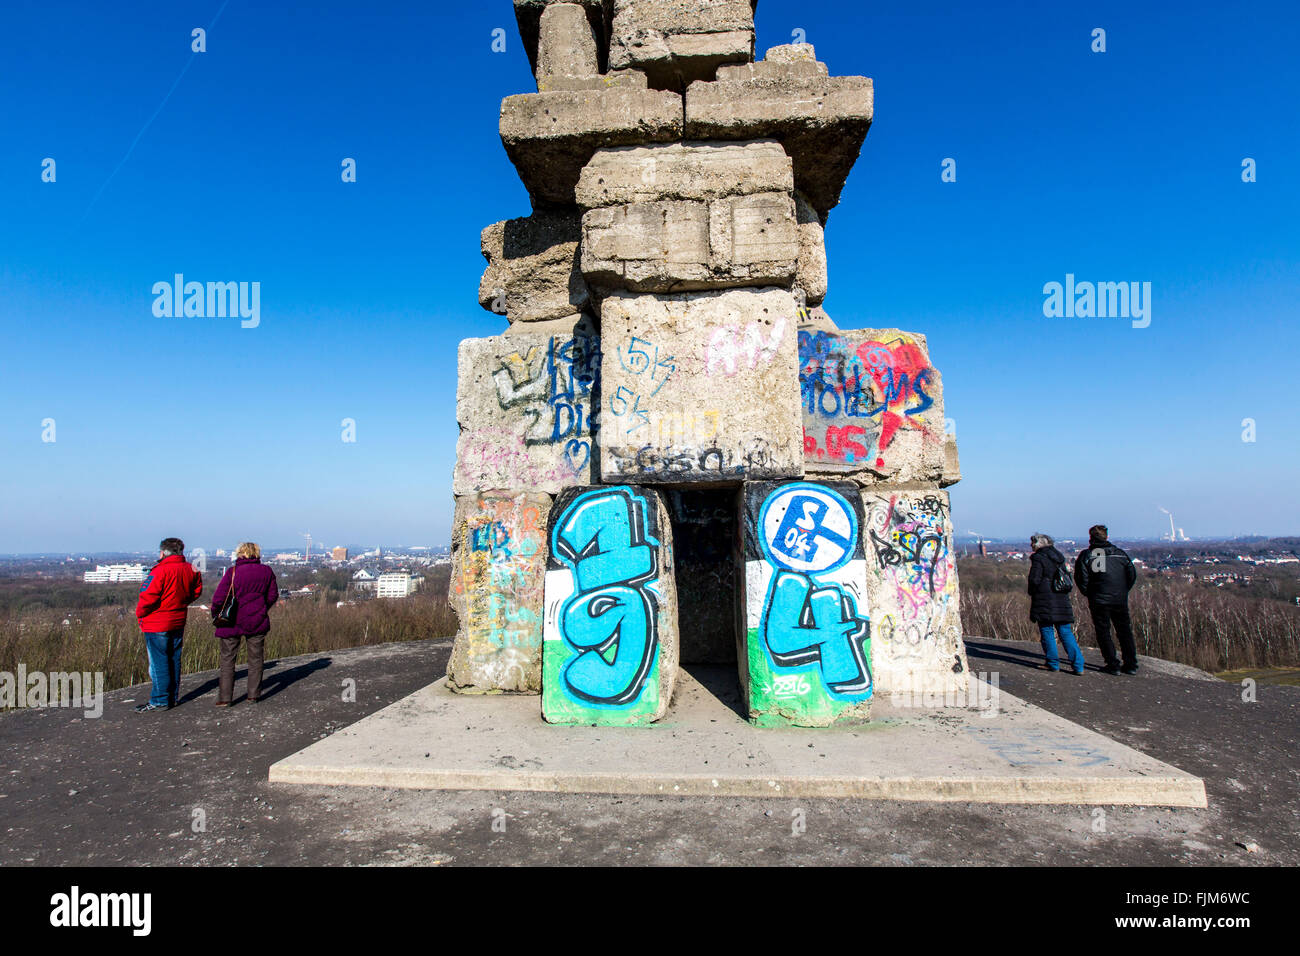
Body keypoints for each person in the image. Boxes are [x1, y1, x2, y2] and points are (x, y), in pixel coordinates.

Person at [134, 537, 203, 712]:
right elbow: (196, 591)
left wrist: (140, 614)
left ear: (163, 552)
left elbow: (147, 597)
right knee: (174, 659)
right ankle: (171, 697)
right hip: (178, 619)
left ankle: (160, 700)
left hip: (157, 622)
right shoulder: (192, 569)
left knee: (159, 662)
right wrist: (181, 603)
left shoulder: (159, 571)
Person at [210, 542, 279, 705]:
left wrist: (216, 615)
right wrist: (262, 608)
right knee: (256, 659)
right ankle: (253, 695)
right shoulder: (266, 571)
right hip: (257, 619)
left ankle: (225, 698)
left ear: (240, 554)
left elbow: (219, 599)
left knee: (227, 660)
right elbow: (273, 595)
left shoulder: (233, 573)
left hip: (231, 621)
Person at [1074, 524, 1139, 675]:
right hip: (1119, 599)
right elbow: (1131, 575)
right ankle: (1130, 664)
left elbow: (1081, 578)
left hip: (1099, 600)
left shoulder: (1088, 555)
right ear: (1107, 537)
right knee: (1124, 631)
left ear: (1091, 537)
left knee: (1103, 631)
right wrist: (1122, 591)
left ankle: (1112, 663)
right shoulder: (1120, 554)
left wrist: (1091, 593)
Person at [1027, 534, 1085, 674]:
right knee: (1065, 632)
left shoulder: (1038, 558)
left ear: (1038, 544)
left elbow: (1034, 580)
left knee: (1047, 630)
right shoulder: (1058, 557)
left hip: (1044, 599)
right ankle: (1078, 665)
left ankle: (1053, 663)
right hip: (1061, 598)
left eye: (1033, 543)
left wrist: (1032, 592)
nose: (1031, 546)